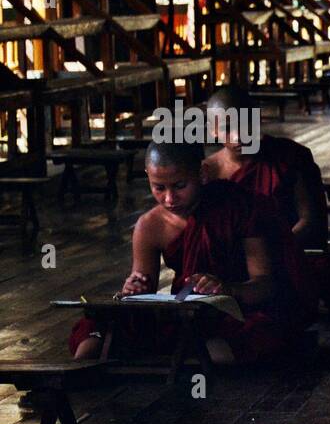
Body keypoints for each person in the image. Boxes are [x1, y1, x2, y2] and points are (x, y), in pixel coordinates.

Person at [69, 141, 315, 364]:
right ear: (147, 177)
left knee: (247, 337)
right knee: (95, 333)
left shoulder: (236, 206)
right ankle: (81, 372)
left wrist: (227, 290)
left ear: (201, 174)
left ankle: (185, 355)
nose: (169, 198)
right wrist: (134, 288)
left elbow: (265, 285)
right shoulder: (149, 225)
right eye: (158, 187)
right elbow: (144, 294)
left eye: (179, 186)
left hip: (237, 309)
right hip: (183, 310)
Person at [203, 86, 330, 321]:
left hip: (286, 253)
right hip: (235, 262)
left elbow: (309, 221)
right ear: (213, 130)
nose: (239, 136)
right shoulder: (206, 173)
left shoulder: (288, 157)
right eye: (227, 129)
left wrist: (272, 249)